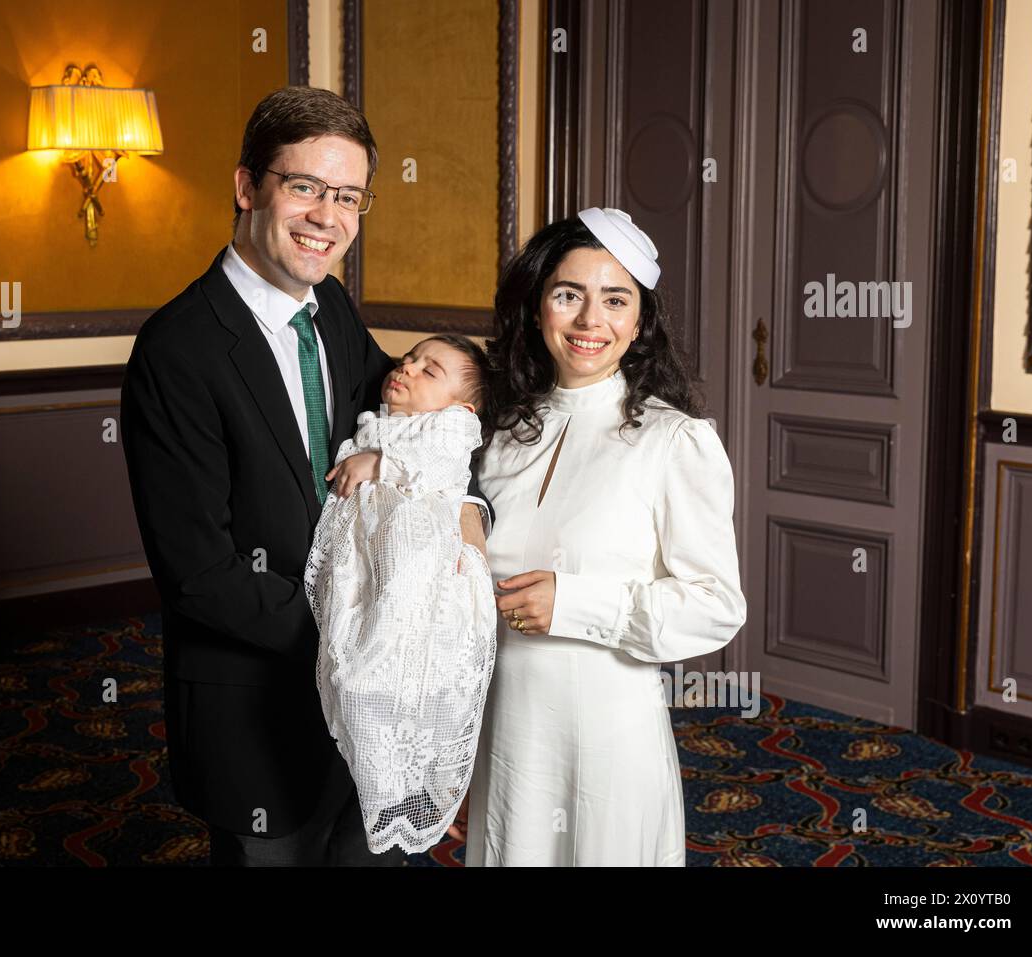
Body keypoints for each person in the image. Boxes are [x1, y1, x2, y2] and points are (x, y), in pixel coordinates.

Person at [119, 86, 493, 867]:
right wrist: (364, 631)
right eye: (305, 187)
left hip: (368, 719)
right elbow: (199, 574)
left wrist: (468, 505)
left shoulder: (333, 313)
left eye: (349, 196)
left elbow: (429, 426)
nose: (329, 216)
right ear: (247, 186)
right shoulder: (178, 349)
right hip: (257, 713)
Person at [463, 208, 746, 866]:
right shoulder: (501, 430)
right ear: (538, 308)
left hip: (608, 745)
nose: (591, 321)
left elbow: (716, 604)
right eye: (569, 295)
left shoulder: (676, 440)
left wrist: (578, 604)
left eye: (615, 300)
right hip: (505, 735)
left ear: (640, 320)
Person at [305, 335, 497, 854]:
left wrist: (380, 464)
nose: (407, 369)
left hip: (419, 573)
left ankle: (398, 794)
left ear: (462, 407)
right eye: (409, 359)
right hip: (371, 568)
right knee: (352, 664)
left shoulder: (451, 427)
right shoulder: (375, 422)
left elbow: (447, 467)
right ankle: (381, 788)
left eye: (429, 371)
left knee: (387, 668)